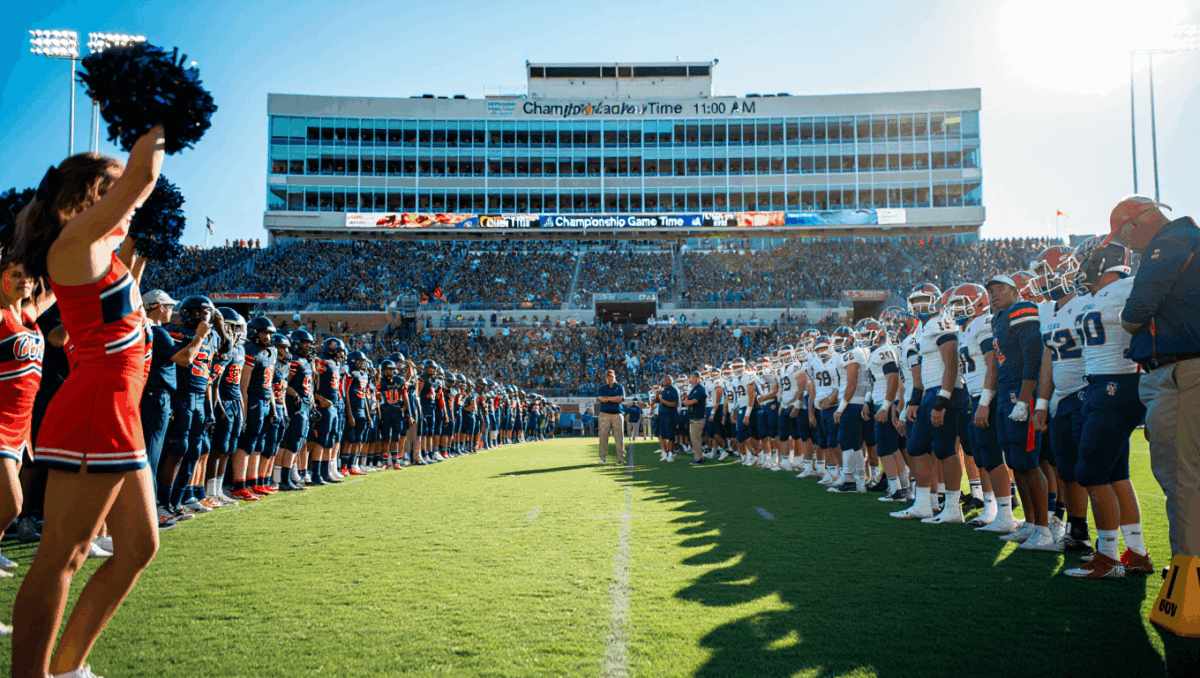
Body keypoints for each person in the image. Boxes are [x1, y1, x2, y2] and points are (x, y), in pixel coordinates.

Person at [8, 126, 164, 678]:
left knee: (139, 547)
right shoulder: (73, 245)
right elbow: (144, 177)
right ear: (83, 201)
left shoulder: (102, 254)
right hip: (98, 405)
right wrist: (162, 118)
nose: (128, 204)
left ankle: (69, 668)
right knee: (62, 556)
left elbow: (135, 200)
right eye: (112, 193)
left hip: (120, 409)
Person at [1105, 195, 1200, 562]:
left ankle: (1188, 571)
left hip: (1181, 370)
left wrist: (1133, 322)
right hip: (1184, 366)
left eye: (1124, 232)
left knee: (1180, 477)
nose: (1125, 243)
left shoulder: (1168, 245)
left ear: (1141, 220)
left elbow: (1134, 314)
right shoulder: (1186, 240)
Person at [596, 370, 625, 464]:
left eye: (610, 377)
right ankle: (602, 458)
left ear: (614, 377)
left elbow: (620, 398)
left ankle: (621, 458)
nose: (609, 378)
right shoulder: (602, 388)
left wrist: (607, 398)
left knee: (619, 438)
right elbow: (600, 399)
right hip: (604, 414)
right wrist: (613, 399)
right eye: (607, 377)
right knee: (603, 437)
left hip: (617, 414)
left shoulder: (619, 386)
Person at [682, 372, 707, 465]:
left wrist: (686, 401)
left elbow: (692, 401)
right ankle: (699, 455)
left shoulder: (700, 389)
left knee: (695, 438)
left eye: (691, 377)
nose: (689, 379)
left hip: (698, 417)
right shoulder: (694, 389)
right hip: (694, 416)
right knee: (696, 438)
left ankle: (698, 458)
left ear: (697, 378)